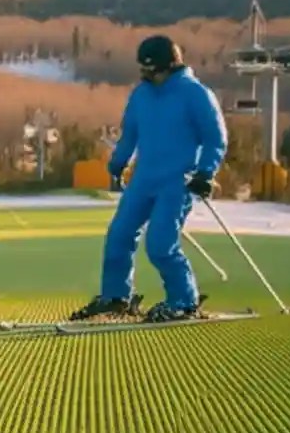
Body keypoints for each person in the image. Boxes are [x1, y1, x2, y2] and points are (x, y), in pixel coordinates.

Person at [71, 35, 229, 323]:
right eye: (142, 69)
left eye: (151, 70)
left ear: (170, 66)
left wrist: (206, 172)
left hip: (176, 183)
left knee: (159, 245)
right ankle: (117, 297)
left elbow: (215, 137)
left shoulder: (195, 94)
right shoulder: (142, 95)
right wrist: (117, 163)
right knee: (118, 236)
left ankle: (183, 301)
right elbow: (130, 133)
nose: (145, 75)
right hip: (143, 180)